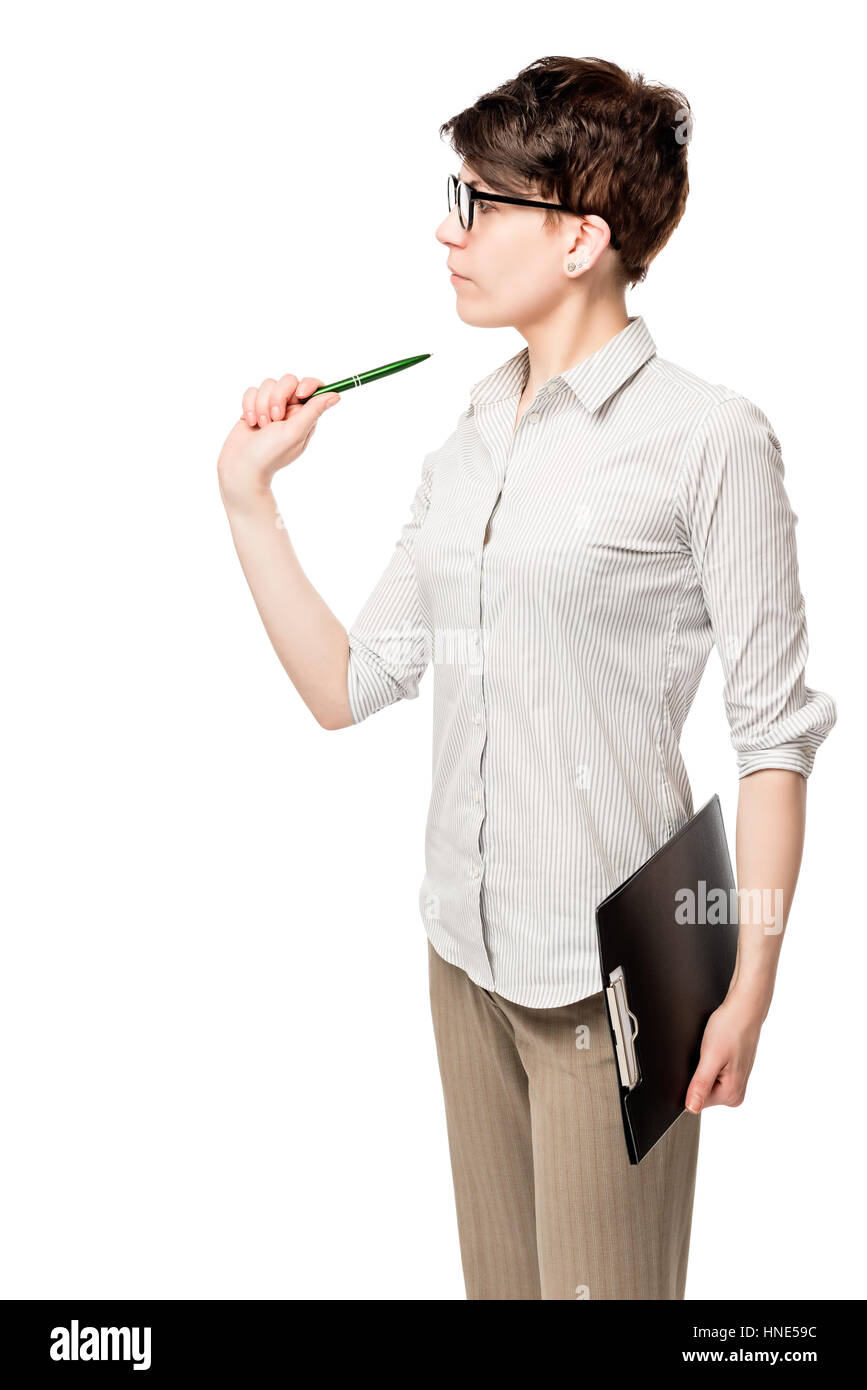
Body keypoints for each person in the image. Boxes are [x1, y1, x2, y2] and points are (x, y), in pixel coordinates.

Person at [216, 56, 837, 1300]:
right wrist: (249, 501)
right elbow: (351, 683)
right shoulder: (467, 440)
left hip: (627, 965)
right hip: (463, 952)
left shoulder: (709, 437)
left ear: (579, 239)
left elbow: (773, 738)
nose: (449, 231)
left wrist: (748, 984)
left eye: (479, 201)